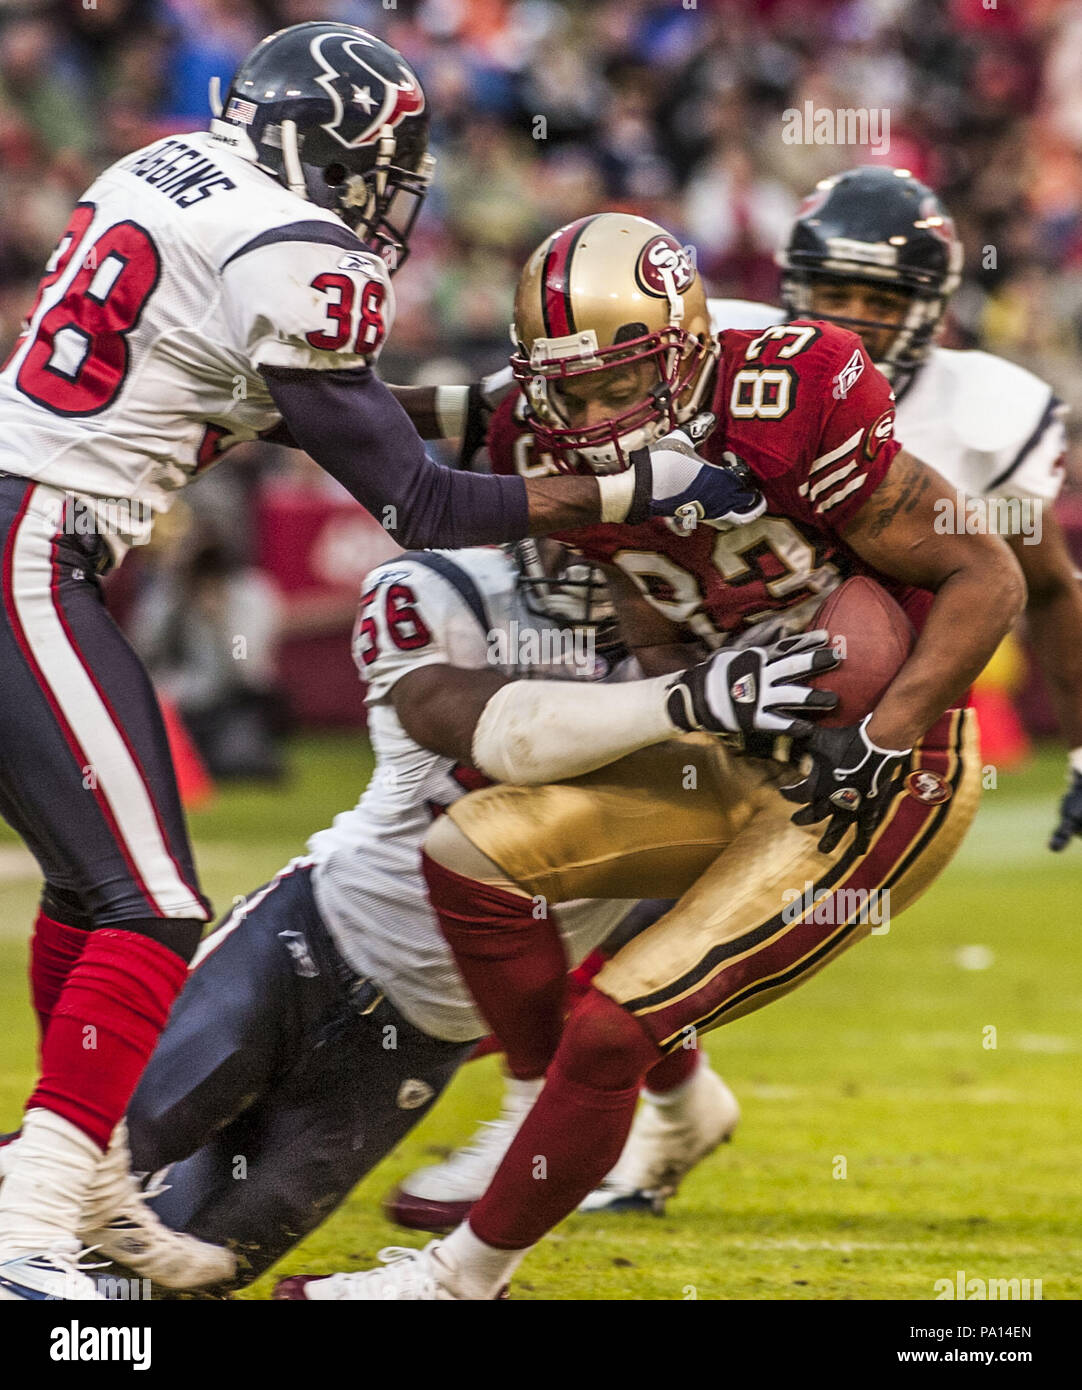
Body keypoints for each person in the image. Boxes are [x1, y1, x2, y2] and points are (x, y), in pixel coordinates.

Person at [0, 23, 756, 1303]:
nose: (395, 188)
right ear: (330, 147)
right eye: (385, 160)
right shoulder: (301, 251)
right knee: (151, 910)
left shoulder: (170, 170)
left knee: (92, 897)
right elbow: (419, 503)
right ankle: (29, 1224)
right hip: (27, 549)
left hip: (34, 532)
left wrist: (484, 412)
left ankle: (78, 1176)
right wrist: (625, 482)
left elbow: (326, 408)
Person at [274, 212, 1024, 1300]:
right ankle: (550, 1104)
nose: (586, 417)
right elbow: (640, 584)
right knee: (471, 854)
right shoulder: (534, 438)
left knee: (615, 1023)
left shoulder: (788, 397)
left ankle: (454, 1283)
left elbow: (987, 576)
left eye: (614, 384)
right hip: (735, 735)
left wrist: (878, 735)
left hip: (872, 759)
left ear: (681, 346)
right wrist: (672, 693)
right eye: (564, 391)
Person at [105, 538, 828, 1293]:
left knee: (191, 1270)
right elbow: (467, 721)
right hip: (307, 940)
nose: (596, 553)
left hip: (423, 1037)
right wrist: (684, 697)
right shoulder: (444, 587)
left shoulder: (719, 634)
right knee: (91, 1161)